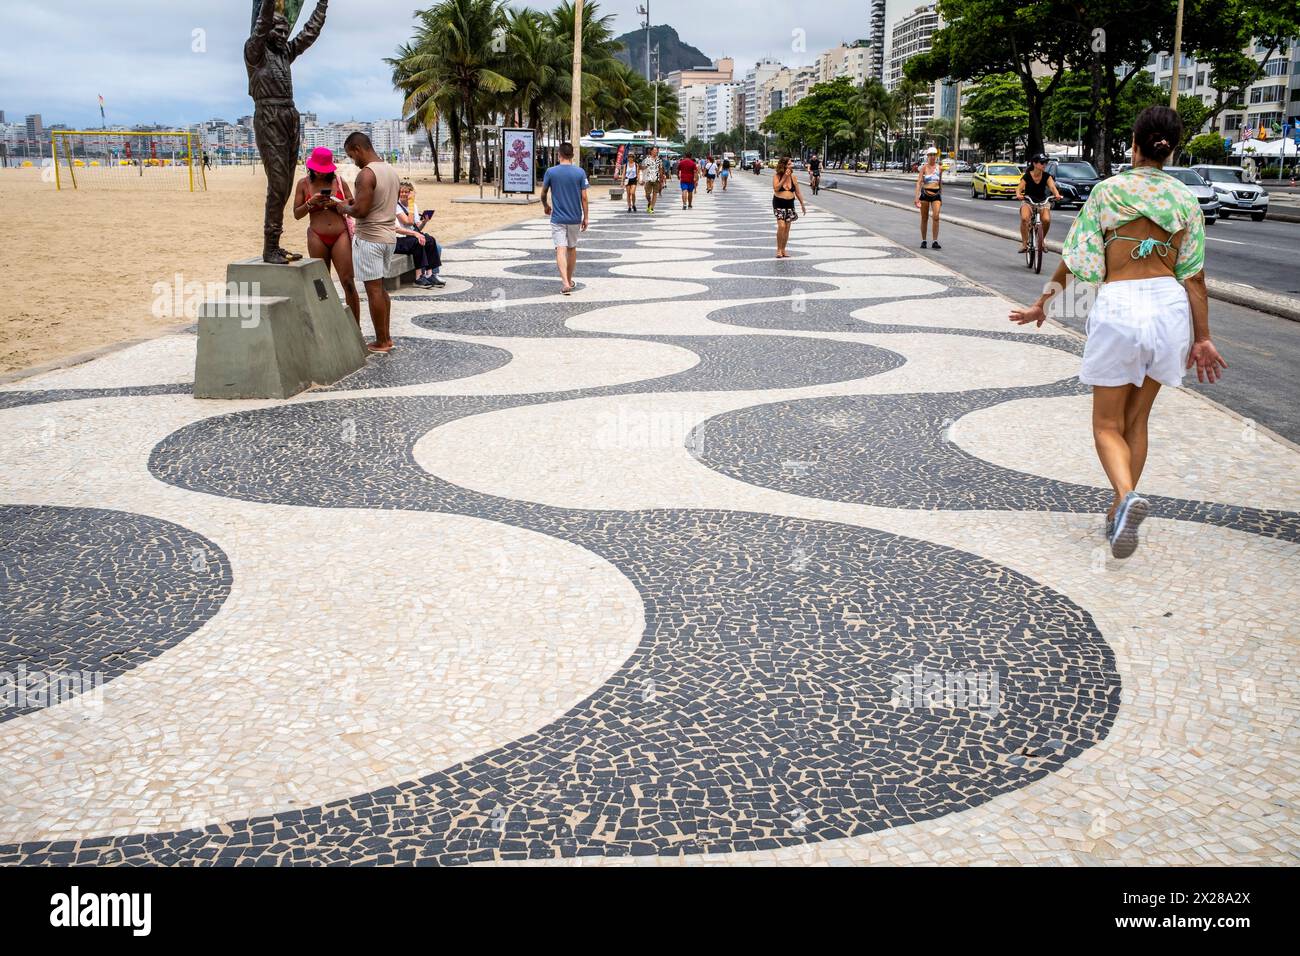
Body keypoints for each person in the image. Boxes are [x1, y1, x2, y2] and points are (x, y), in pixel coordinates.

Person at [1009, 105, 1226, 559]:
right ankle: (1117, 513)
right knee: (1138, 419)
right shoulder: (1186, 200)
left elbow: (1077, 258)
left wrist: (1041, 304)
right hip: (1170, 309)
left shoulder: (1109, 193)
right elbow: (1195, 277)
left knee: (1107, 423)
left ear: (1135, 141)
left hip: (1120, 304)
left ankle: (1125, 498)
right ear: (1173, 147)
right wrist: (1202, 337)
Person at [244, 0, 329, 264]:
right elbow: (262, 21)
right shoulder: (255, 52)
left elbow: (309, 34)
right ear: (266, 29)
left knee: (287, 185)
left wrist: (322, 4)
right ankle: (270, 246)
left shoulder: (284, 53)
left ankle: (275, 244)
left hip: (289, 115)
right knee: (278, 185)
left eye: (285, 32)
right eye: (277, 31)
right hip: (268, 115)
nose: (282, 35)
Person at [337, 131, 400, 353]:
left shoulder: (366, 174)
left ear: (358, 149)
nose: (353, 162)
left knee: (373, 290)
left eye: (352, 156)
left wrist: (344, 207)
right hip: (388, 237)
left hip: (370, 238)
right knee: (381, 290)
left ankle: (381, 341)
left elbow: (361, 212)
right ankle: (387, 337)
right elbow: (378, 202)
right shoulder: (390, 171)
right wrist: (356, 202)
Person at [291, 146, 361, 322]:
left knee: (348, 281)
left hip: (340, 234)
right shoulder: (303, 184)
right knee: (321, 282)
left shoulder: (339, 181)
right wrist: (310, 203)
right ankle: (325, 323)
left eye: (324, 170)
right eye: (318, 170)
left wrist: (336, 203)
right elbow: (297, 214)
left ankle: (355, 326)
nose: (321, 174)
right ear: (312, 167)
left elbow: (352, 204)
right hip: (317, 235)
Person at [540, 141, 589, 295]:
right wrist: (586, 217)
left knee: (560, 249)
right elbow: (584, 198)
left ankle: (565, 283)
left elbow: (543, 193)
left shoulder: (551, 172)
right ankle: (570, 278)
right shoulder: (580, 172)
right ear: (572, 155)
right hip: (575, 217)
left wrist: (545, 206)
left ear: (559, 155)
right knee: (572, 248)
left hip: (558, 218)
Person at [395, 180, 444, 288]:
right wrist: (411, 203)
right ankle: (419, 277)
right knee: (418, 242)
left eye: (407, 192)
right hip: (401, 237)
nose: (403, 194)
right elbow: (408, 222)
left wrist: (424, 222)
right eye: (401, 192)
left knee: (430, 239)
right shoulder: (396, 206)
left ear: (411, 193)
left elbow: (416, 226)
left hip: (412, 235)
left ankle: (430, 275)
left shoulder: (414, 206)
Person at [1017, 153, 1063, 254]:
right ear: (1034, 164)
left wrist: (1057, 195)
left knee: (1046, 220)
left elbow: (1052, 187)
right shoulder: (1027, 175)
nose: (1044, 165)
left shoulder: (1047, 176)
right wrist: (1018, 194)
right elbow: (1019, 188)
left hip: (1042, 201)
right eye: (1042, 162)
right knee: (1025, 219)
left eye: (1045, 162)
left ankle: (1041, 241)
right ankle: (1024, 243)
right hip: (1028, 201)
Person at [772, 155, 807, 258]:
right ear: (783, 166)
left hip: (790, 204)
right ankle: (778, 250)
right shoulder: (777, 176)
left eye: (791, 164)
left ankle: (783, 249)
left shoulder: (794, 177)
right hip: (779, 203)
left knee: (787, 228)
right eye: (789, 164)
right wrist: (784, 177)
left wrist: (802, 204)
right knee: (781, 226)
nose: (791, 165)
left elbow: (798, 192)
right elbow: (776, 188)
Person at [913, 146, 943, 249]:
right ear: (927, 156)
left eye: (934, 155)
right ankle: (924, 240)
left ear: (936, 156)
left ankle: (935, 241)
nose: (932, 157)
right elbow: (919, 183)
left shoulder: (940, 168)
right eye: (930, 155)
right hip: (925, 194)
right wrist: (916, 197)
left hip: (936, 194)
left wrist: (941, 195)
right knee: (924, 218)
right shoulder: (924, 168)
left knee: (936, 217)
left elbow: (940, 182)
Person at [642, 146, 663, 214]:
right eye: (654, 151)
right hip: (648, 179)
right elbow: (643, 168)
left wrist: (661, 180)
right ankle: (649, 203)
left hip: (656, 179)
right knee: (647, 194)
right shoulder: (647, 159)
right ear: (651, 151)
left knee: (655, 194)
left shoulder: (659, 160)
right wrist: (643, 178)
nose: (656, 152)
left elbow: (660, 169)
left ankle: (651, 208)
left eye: (656, 151)